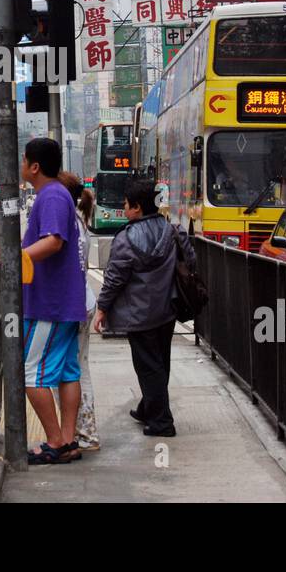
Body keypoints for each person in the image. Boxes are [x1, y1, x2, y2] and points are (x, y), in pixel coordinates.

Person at [0, 137, 85, 465]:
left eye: (23, 160)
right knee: (68, 372)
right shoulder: (55, 195)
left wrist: (11, 254)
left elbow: (53, 242)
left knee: (31, 373)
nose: (20, 165)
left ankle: (55, 442)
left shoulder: (51, 195)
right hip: (63, 301)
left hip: (50, 305)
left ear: (34, 166)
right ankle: (68, 441)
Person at [94, 178, 195, 438]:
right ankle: (148, 408)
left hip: (139, 314)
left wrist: (102, 307)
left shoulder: (126, 239)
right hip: (168, 310)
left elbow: (115, 278)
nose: (124, 210)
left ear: (136, 207)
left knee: (148, 366)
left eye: (126, 205)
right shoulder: (173, 231)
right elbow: (190, 260)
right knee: (160, 362)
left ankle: (162, 422)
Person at [58, 171, 100, 453]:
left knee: (69, 371)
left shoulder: (68, 223)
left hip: (73, 304)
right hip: (83, 301)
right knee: (79, 367)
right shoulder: (79, 222)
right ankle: (85, 432)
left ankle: (80, 434)